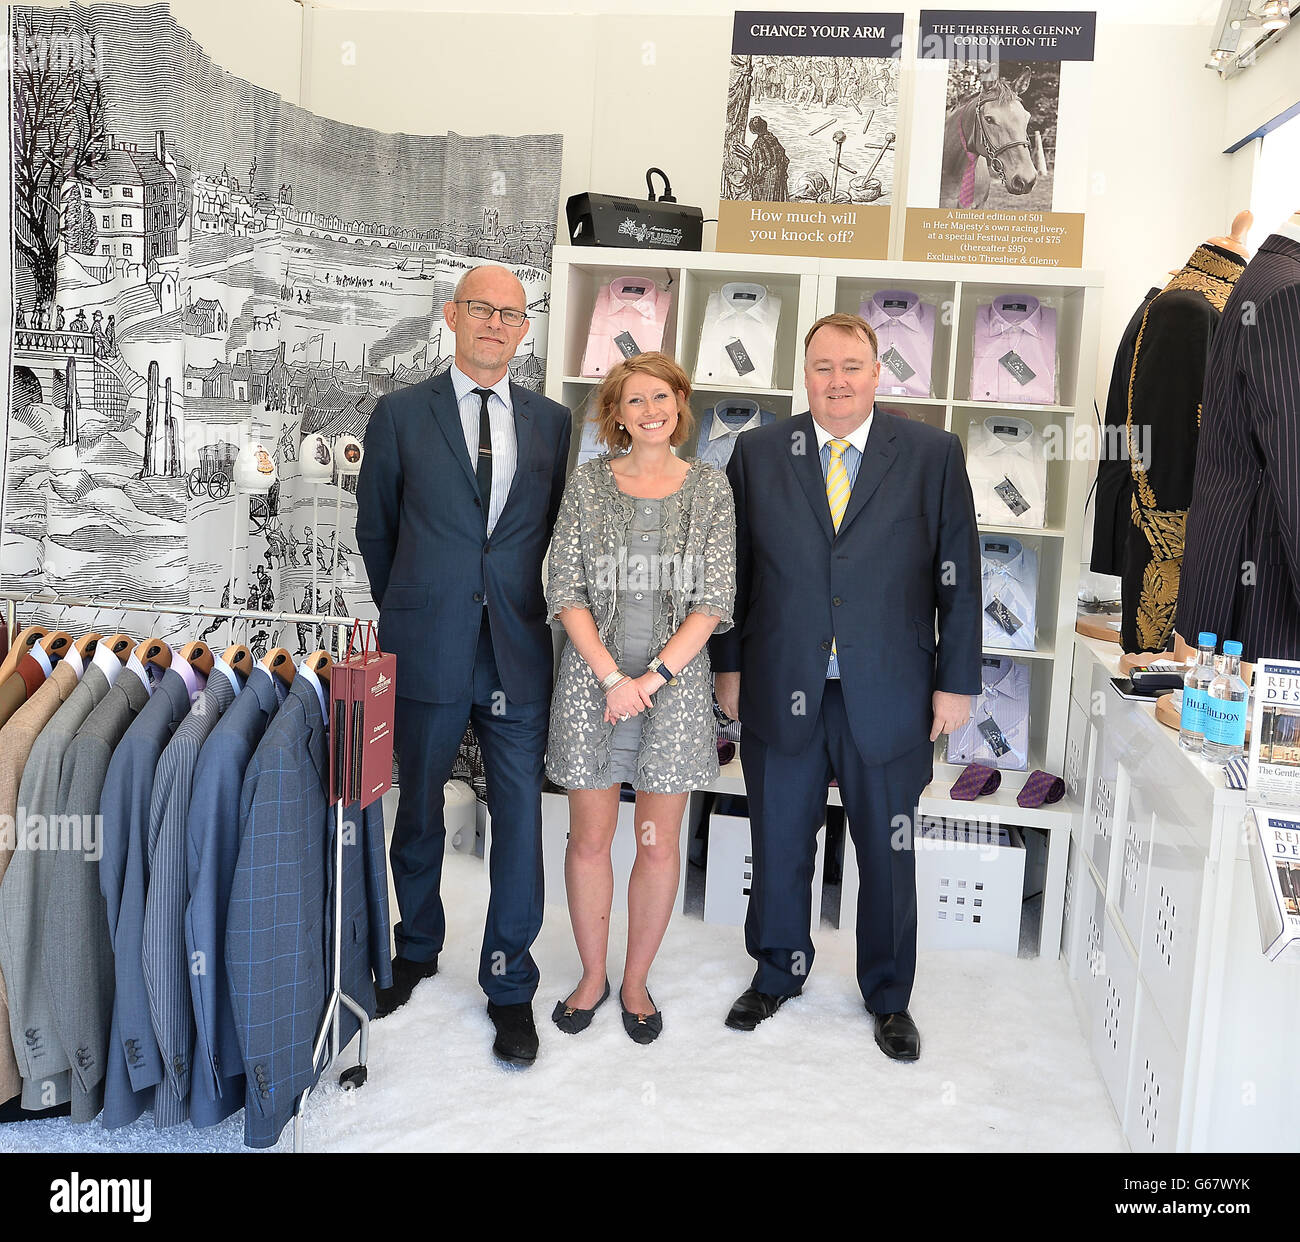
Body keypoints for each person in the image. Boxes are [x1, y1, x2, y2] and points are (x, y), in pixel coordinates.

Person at [711, 312, 982, 1061]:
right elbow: (733, 574)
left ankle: (889, 996)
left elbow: (959, 576)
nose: (837, 381)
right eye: (823, 367)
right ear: (805, 375)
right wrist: (728, 667)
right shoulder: (758, 453)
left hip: (891, 690)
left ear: (877, 372)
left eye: (852, 366)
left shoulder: (931, 453)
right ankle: (777, 971)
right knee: (778, 839)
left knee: (888, 851)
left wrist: (955, 684)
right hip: (779, 682)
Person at [356, 263, 571, 1068]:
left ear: (524, 329)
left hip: (516, 648)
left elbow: (549, 531)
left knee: (519, 820)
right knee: (417, 808)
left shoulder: (553, 423)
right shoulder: (400, 414)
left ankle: (509, 984)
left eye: (510, 314)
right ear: (452, 316)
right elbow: (376, 528)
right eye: (481, 308)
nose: (495, 323)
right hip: (427, 643)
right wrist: (414, 603)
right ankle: (415, 948)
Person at [545, 353, 735, 1044]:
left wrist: (648, 682)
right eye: (634, 400)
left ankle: (634, 981)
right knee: (589, 841)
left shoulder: (710, 487)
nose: (650, 410)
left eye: (661, 396)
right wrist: (610, 680)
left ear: (679, 403)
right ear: (617, 415)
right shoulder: (589, 483)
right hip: (591, 687)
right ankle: (593, 976)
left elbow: (714, 600)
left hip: (672, 694)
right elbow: (564, 587)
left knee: (656, 846)